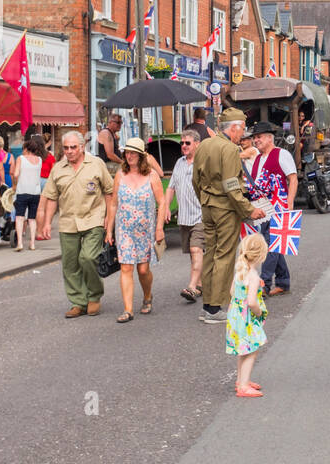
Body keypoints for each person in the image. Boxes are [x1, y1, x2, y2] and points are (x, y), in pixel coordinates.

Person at [39, 131, 114, 317]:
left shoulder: (96, 164)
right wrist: (47, 223)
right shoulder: (58, 168)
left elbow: (109, 191)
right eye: (66, 148)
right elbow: (51, 197)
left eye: (73, 147)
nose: (70, 151)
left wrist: (109, 217)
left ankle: (94, 296)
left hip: (93, 219)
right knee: (70, 265)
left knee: (88, 258)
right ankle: (78, 301)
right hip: (68, 222)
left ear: (82, 147)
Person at [192, 109, 255, 323]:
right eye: (242, 129)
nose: (243, 134)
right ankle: (215, 308)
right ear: (234, 127)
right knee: (224, 256)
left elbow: (195, 180)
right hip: (225, 208)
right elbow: (231, 186)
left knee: (210, 253)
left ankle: (207, 306)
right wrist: (248, 210)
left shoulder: (205, 145)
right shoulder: (229, 149)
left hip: (208, 206)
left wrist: (205, 199)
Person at [105, 137, 166, 322]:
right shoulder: (120, 175)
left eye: (133, 153)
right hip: (124, 230)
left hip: (145, 229)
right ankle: (128, 309)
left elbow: (162, 202)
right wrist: (109, 228)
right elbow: (114, 203)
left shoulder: (151, 176)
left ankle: (147, 296)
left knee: (143, 270)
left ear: (141, 155)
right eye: (127, 152)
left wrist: (159, 228)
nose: (129, 156)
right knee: (125, 268)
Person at [248, 121, 298, 296]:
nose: (256, 140)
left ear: (270, 138)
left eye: (259, 137)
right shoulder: (257, 159)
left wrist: (289, 203)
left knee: (271, 245)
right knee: (273, 245)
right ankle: (283, 281)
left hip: (278, 206)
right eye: (254, 138)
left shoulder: (281, 154)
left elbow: (292, 178)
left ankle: (265, 283)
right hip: (262, 209)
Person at [226, 232, 269, 397]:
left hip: (235, 315)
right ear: (261, 255)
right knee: (252, 350)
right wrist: (258, 312)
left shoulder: (240, 271)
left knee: (244, 349)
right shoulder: (253, 276)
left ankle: (241, 380)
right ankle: (243, 386)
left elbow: (231, 291)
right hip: (247, 318)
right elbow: (252, 302)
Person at [166, 127, 206, 300]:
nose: (183, 145)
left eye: (187, 143)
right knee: (192, 253)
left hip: (201, 216)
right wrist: (167, 207)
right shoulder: (179, 162)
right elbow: (171, 187)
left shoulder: (204, 162)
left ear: (197, 144)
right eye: (182, 143)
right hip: (184, 217)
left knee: (196, 249)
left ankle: (191, 287)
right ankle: (200, 284)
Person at [12, 133, 44, 250]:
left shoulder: (20, 159)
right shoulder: (39, 160)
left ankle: (20, 243)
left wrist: (16, 179)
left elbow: (15, 174)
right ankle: (32, 243)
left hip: (22, 191)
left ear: (26, 148)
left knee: (20, 217)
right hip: (35, 192)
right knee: (32, 218)